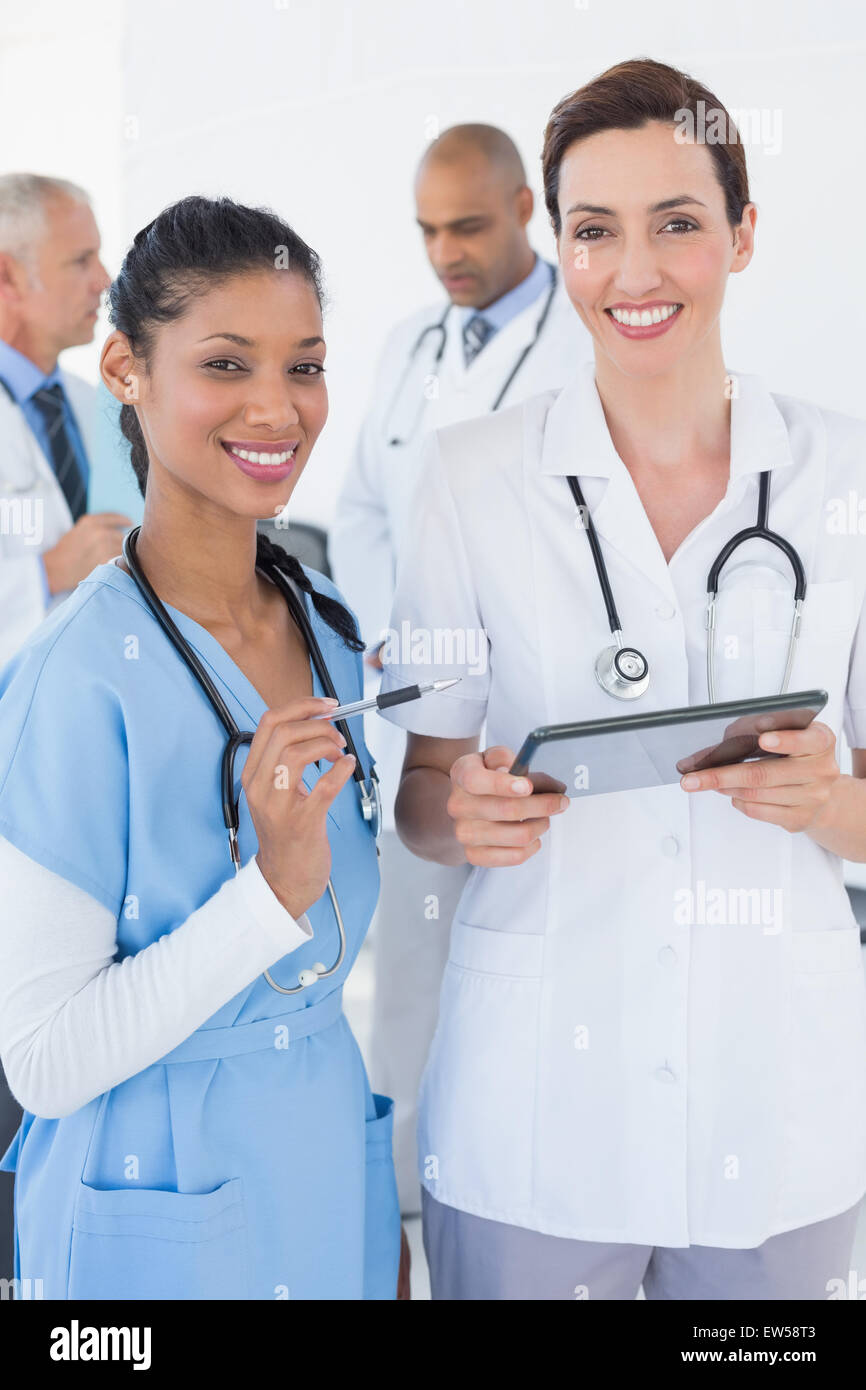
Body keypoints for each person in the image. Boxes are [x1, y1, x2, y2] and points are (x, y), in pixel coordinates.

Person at [376, 57, 866, 1299]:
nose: (633, 273)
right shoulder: (466, 477)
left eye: (678, 225)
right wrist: (464, 811)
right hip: (538, 1117)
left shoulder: (843, 478)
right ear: (560, 245)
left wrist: (831, 801)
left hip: (777, 1120)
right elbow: (422, 793)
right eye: (594, 232)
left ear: (742, 237)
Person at [0, 195, 404, 1300]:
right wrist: (266, 890)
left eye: (304, 366)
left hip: (324, 1169)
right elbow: (41, 1059)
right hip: (154, 1206)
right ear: (126, 368)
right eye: (225, 364)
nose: (277, 408)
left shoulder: (321, 622)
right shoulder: (74, 679)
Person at [330, 124, 592, 1212]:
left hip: (536, 709)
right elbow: (358, 508)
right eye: (428, 230)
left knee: (544, 966)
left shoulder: (587, 345)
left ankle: (540, 1186)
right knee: (410, 973)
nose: (446, 251)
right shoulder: (405, 347)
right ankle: (399, 1194)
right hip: (416, 709)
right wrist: (399, 619)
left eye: (468, 225)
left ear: (525, 207)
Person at [0, 173, 133, 666]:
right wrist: (47, 573)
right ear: (7, 277)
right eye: (81, 260)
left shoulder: (98, 403)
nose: (105, 279)